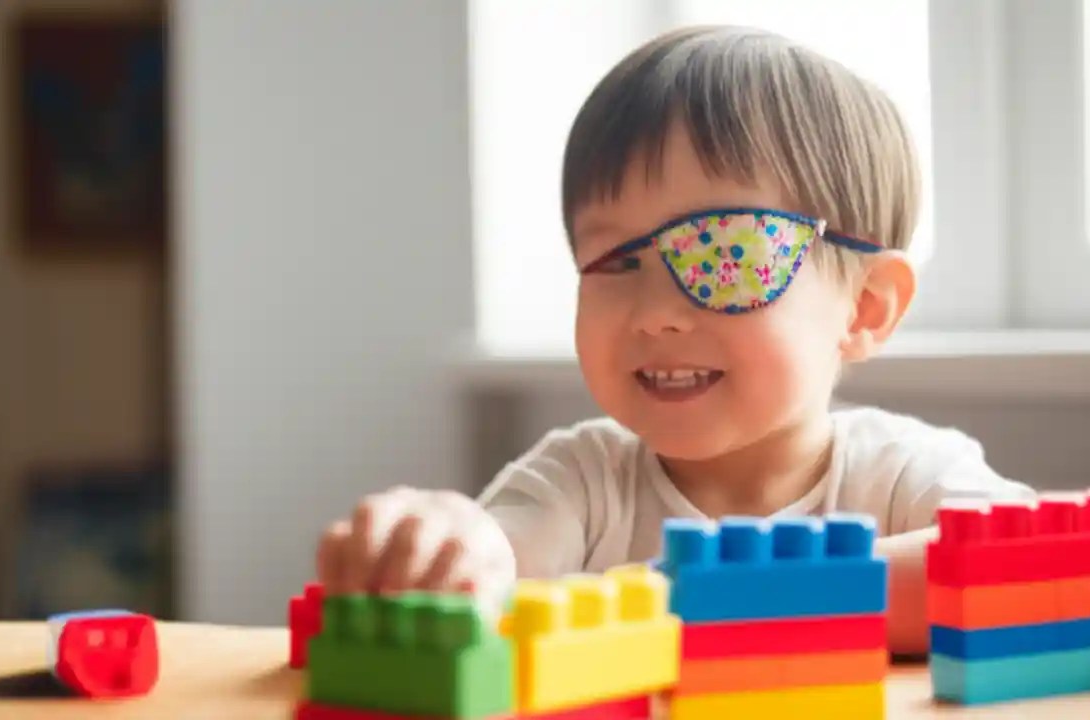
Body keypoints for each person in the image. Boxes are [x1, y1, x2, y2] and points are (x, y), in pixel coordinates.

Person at [314, 25, 1032, 653]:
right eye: (616, 262)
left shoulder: (904, 475)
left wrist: (715, 599)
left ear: (865, 309)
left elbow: (1024, 566)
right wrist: (446, 541)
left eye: (724, 253)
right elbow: (495, 558)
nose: (655, 313)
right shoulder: (581, 482)